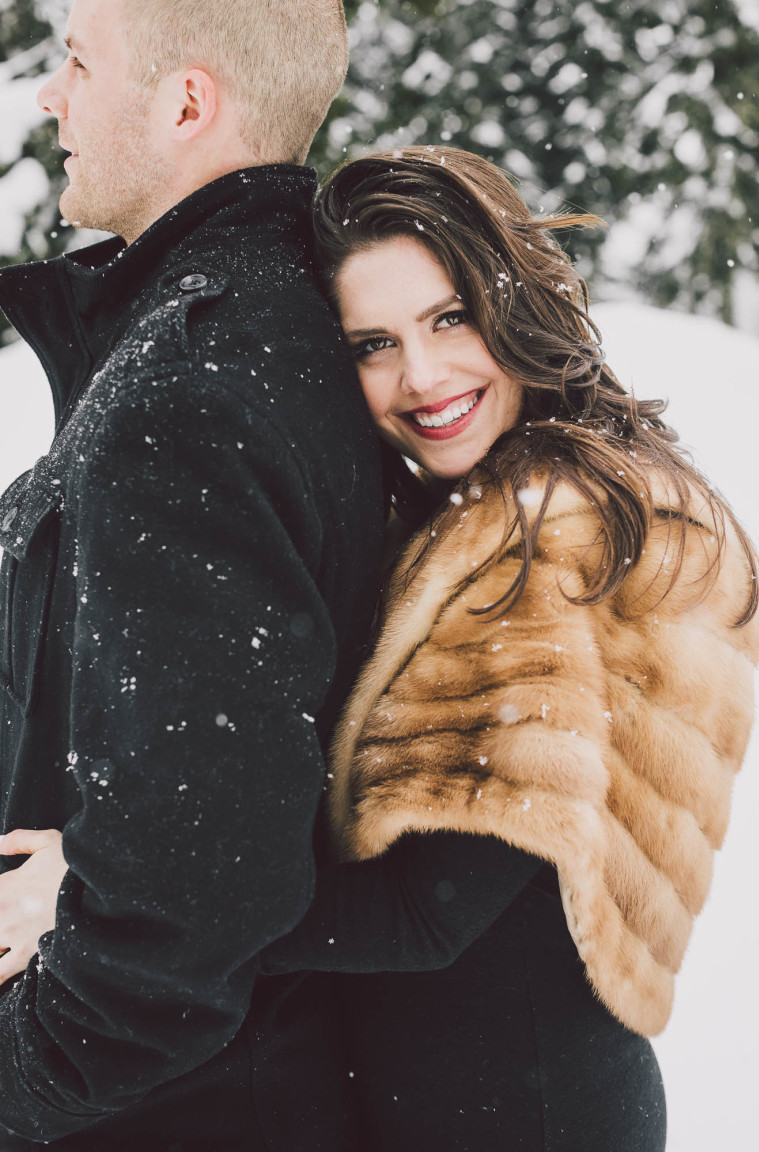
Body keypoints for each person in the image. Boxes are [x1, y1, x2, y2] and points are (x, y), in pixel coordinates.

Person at [0, 80, 759, 1152]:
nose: (424, 375)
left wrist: (117, 903)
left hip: (513, 1104)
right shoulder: (493, 506)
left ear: (514, 303)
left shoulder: (566, 536)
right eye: (372, 343)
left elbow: (426, 909)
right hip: (449, 1084)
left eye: (450, 317)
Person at [0, 0, 389, 1147]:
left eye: (77, 62)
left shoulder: (193, 384)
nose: (48, 95)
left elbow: (188, 907)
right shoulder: (265, 322)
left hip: (169, 1115)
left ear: (185, 102)